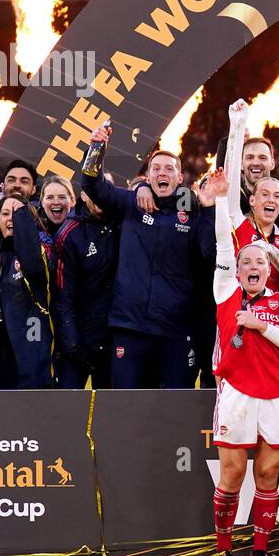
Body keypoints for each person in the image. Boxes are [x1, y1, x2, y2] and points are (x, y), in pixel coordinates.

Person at [208, 170, 279, 556]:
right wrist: (218, 201)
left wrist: (260, 324)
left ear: (269, 269)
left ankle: (261, 553)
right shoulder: (225, 289)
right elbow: (222, 244)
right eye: (246, 260)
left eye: (259, 262)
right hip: (236, 394)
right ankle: (224, 551)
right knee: (231, 475)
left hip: (275, 396)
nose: (251, 266)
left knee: (267, 474)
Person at [81, 126, 211, 388]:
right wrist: (96, 148)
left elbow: (208, 250)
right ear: (148, 175)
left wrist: (208, 209)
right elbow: (92, 186)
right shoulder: (131, 203)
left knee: (174, 408)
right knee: (126, 405)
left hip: (175, 330)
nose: (162, 173)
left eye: (169, 168)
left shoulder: (194, 211)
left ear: (180, 177)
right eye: (156, 168)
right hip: (130, 327)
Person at [221, 101, 279, 308]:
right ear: (252, 201)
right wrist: (236, 127)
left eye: (276, 196)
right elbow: (228, 182)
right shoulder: (238, 223)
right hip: (233, 318)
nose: (270, 200)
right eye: (264, 194)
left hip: (271, 321)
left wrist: (265, 247)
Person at [0, 193, 55, 389]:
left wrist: (23, 220)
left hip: (26, 346)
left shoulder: (37, 252)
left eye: (16, 213)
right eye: (6, 213)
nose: (11, 218)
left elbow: (34, 267)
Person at [50, 178, 119, 389]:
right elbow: (62, 295)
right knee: (67, 413)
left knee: (113, 412)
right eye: (93, 190)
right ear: (82, 195)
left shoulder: (124, 221)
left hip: (115, 339)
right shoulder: (69, 233)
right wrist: (71, 344)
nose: (99, 195)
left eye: (104, 189)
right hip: (79, 341)